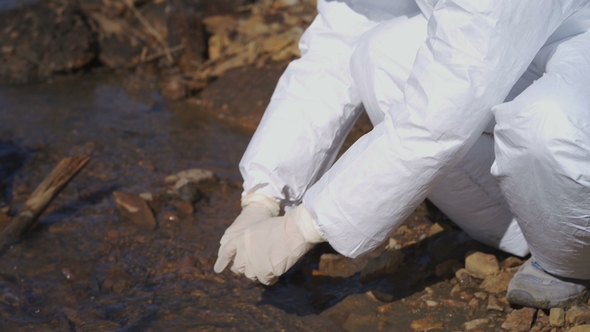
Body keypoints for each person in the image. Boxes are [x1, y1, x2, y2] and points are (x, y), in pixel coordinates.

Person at [214, 0, 590, 309]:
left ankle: (567, 260)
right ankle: (531, 226)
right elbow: (338, 45)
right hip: (508, 41)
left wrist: (305, 226)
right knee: (379, 57)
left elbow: (440, 117)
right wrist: (264, 194)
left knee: (549, 128)